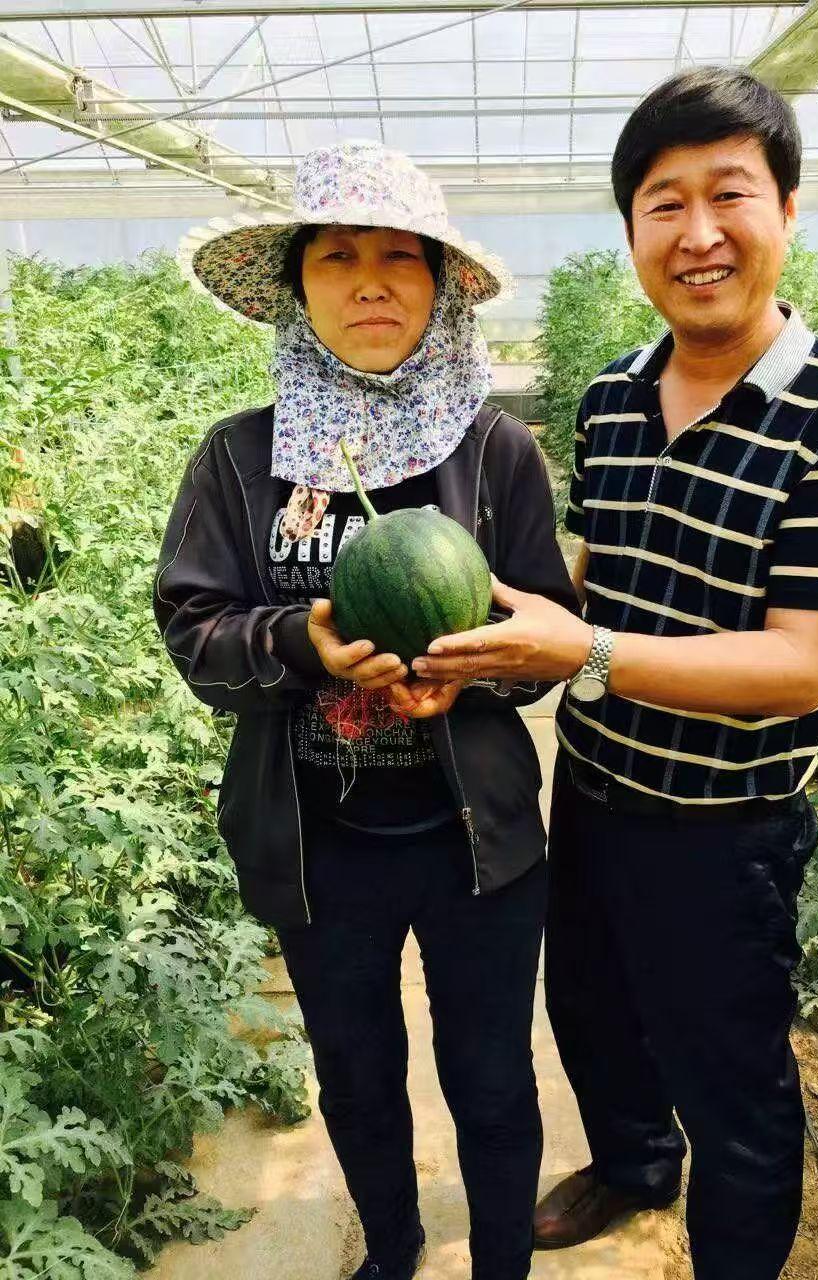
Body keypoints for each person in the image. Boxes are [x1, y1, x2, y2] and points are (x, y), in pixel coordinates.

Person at [411, 68, 818, 1279]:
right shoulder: (613, 396)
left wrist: (580, 651)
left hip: (724, 826)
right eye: (663, 203)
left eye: (728, 194)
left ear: (785, 210)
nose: (698, 234)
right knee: (590, 1012)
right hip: (594, 791)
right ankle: (635, 1165)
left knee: (730, 1073)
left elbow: (800, 664)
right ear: (633, 229)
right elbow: (603, 563)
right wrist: (502, 621)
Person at [154, 141, 577, 1280]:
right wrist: (302, 642)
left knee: (491, 1076)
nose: (372, 282)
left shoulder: (495, 451)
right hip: (318, 846)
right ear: (297, 287)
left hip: (477, 843)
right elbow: (194, 629)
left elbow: (549, 638)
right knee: (354, 1073)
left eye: (402, 257)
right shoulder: (240, 459)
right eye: (337, 257)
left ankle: (500, 1264)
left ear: (441, 286)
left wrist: (480, 668)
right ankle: (391, 1252)